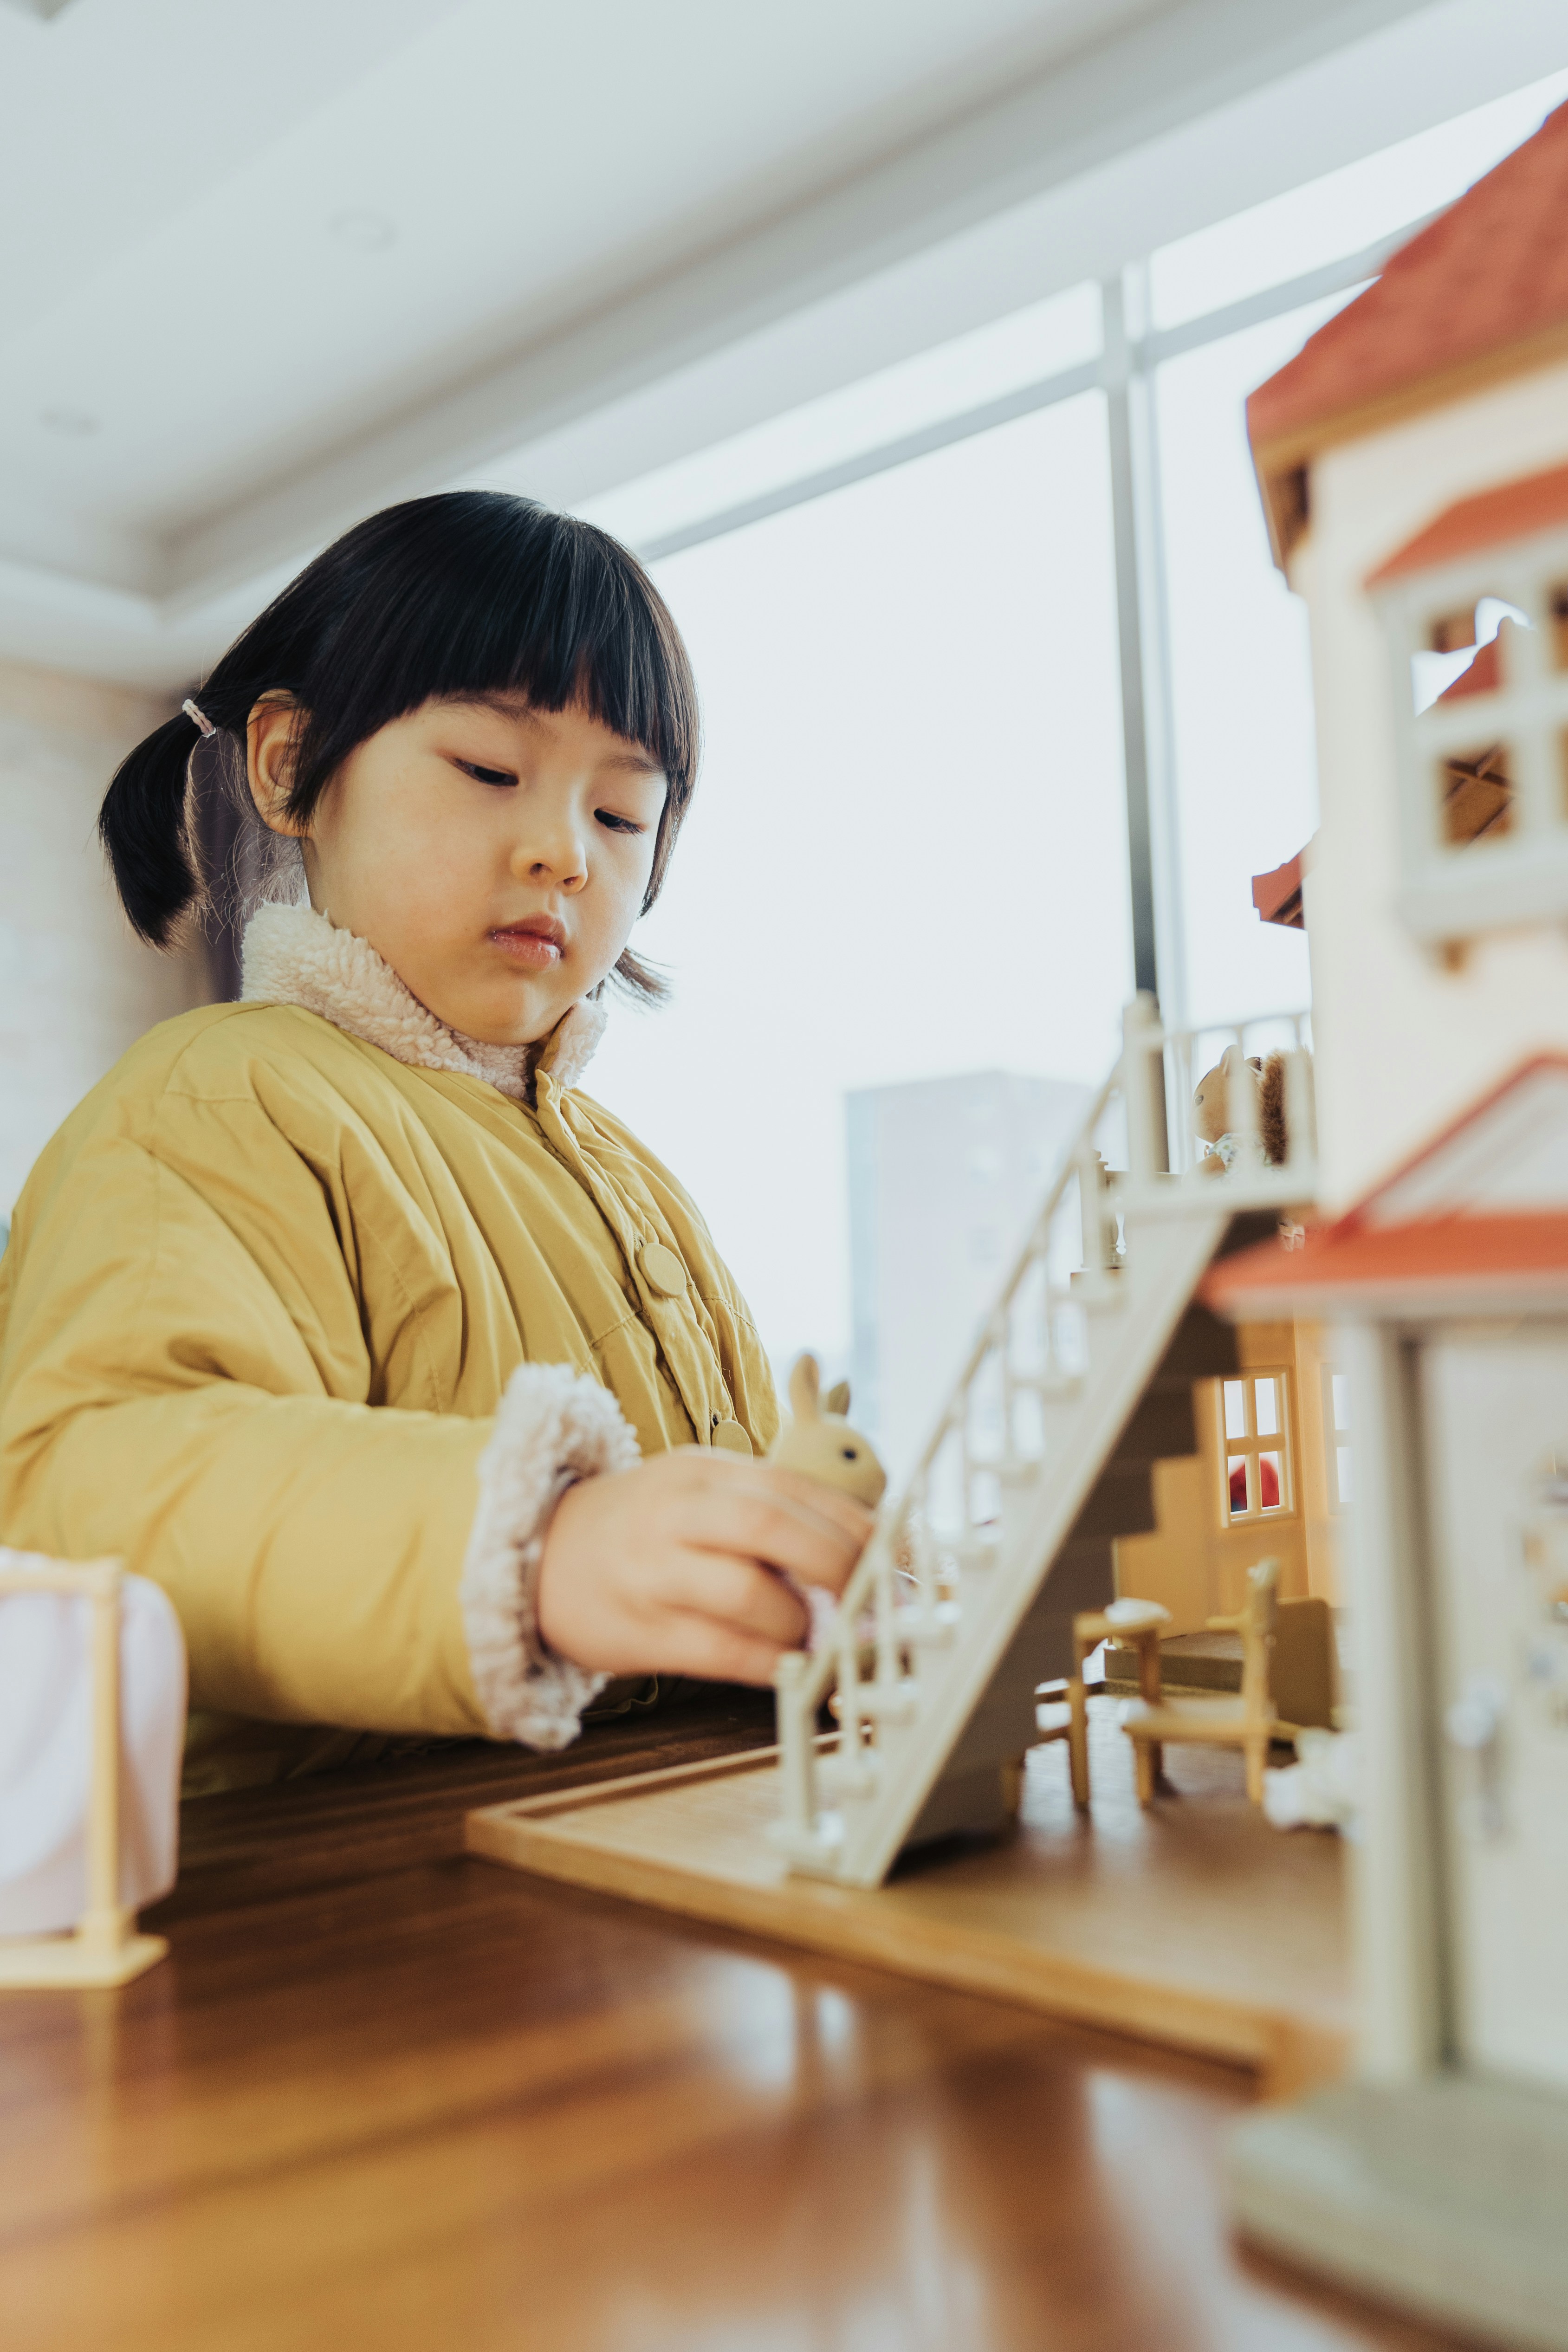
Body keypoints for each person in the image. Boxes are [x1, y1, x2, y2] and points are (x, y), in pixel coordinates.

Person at [0, 493, 871, 1787]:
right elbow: (95, 1483)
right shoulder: (213, 1098)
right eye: (488, 771)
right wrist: (538, 1546)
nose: (562, 854)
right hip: (337, 1921)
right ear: (291, 765)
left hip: (622, 1870)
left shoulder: (636, 1183)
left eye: (622, 816)